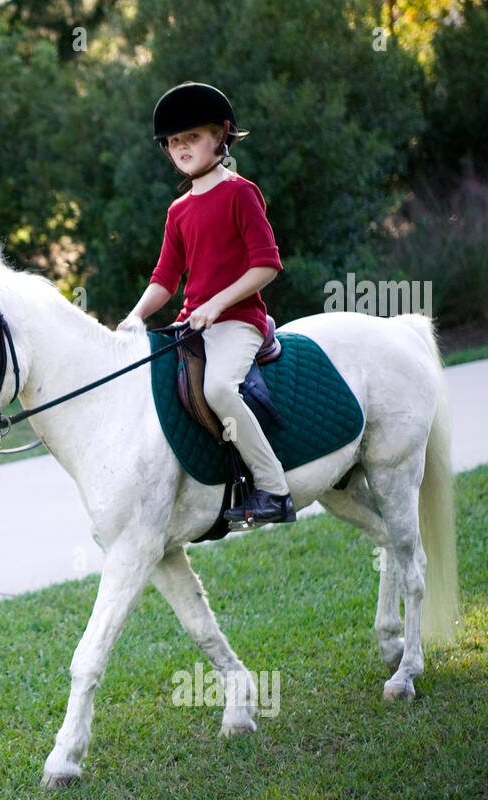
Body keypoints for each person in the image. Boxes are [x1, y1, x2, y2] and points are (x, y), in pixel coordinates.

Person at [119, 82, 295, 525]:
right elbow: (164, 278)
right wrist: (135, 317)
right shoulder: (178, 210)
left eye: (192, 137)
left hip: (238, 321)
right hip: (192, 325)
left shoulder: (241, 192)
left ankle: (273, 489)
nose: (182, 148)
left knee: (217, 388)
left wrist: (217, 303)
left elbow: (267, 266)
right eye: (174, 142)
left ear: (221, 135)